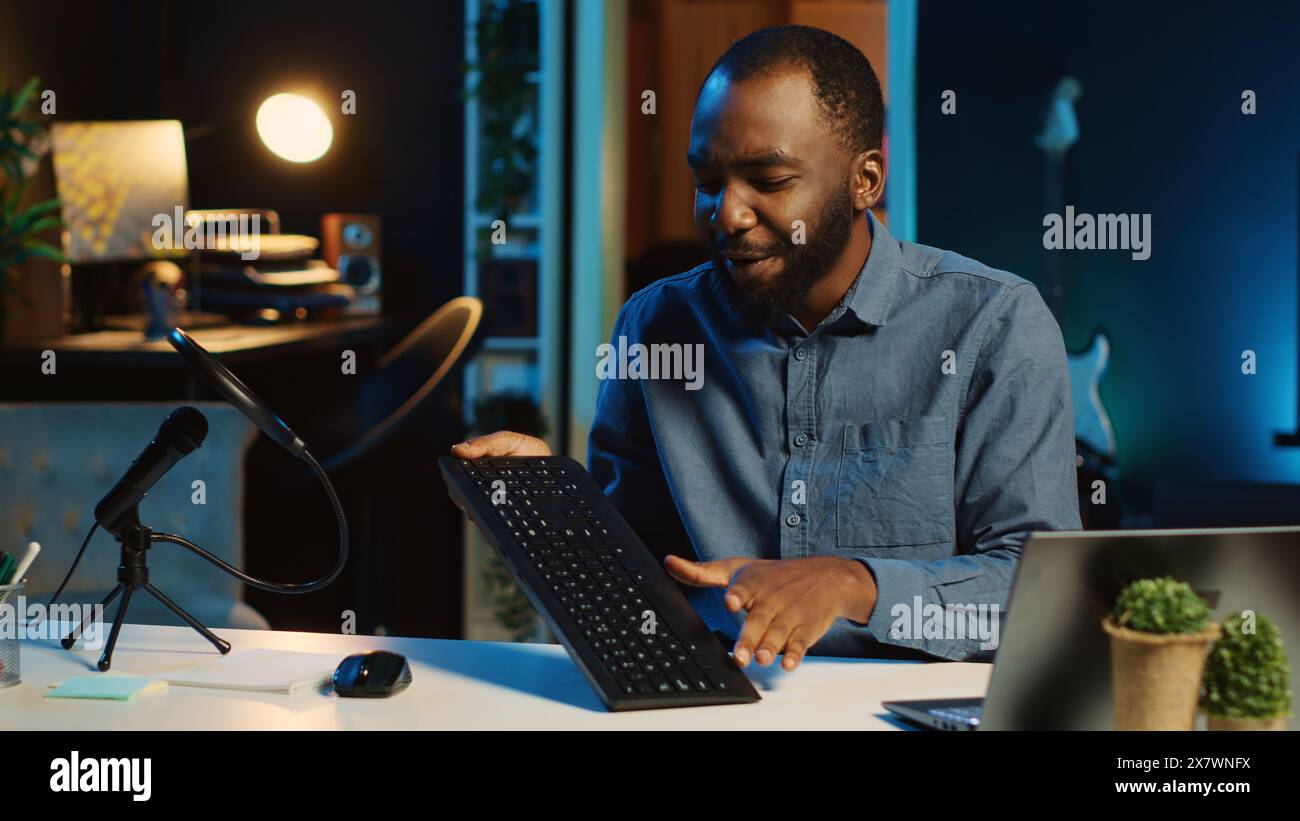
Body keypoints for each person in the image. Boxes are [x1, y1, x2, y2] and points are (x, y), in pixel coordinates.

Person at [453, 25, 1080, 668]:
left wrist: (853, 584)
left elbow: (1042, 592)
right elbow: (635, 576)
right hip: (717, 702)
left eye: (770, 180)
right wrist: (552, 509)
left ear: (865, 180)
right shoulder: (654, 327)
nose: (728, 214)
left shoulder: (994, 324)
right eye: (707, 180)